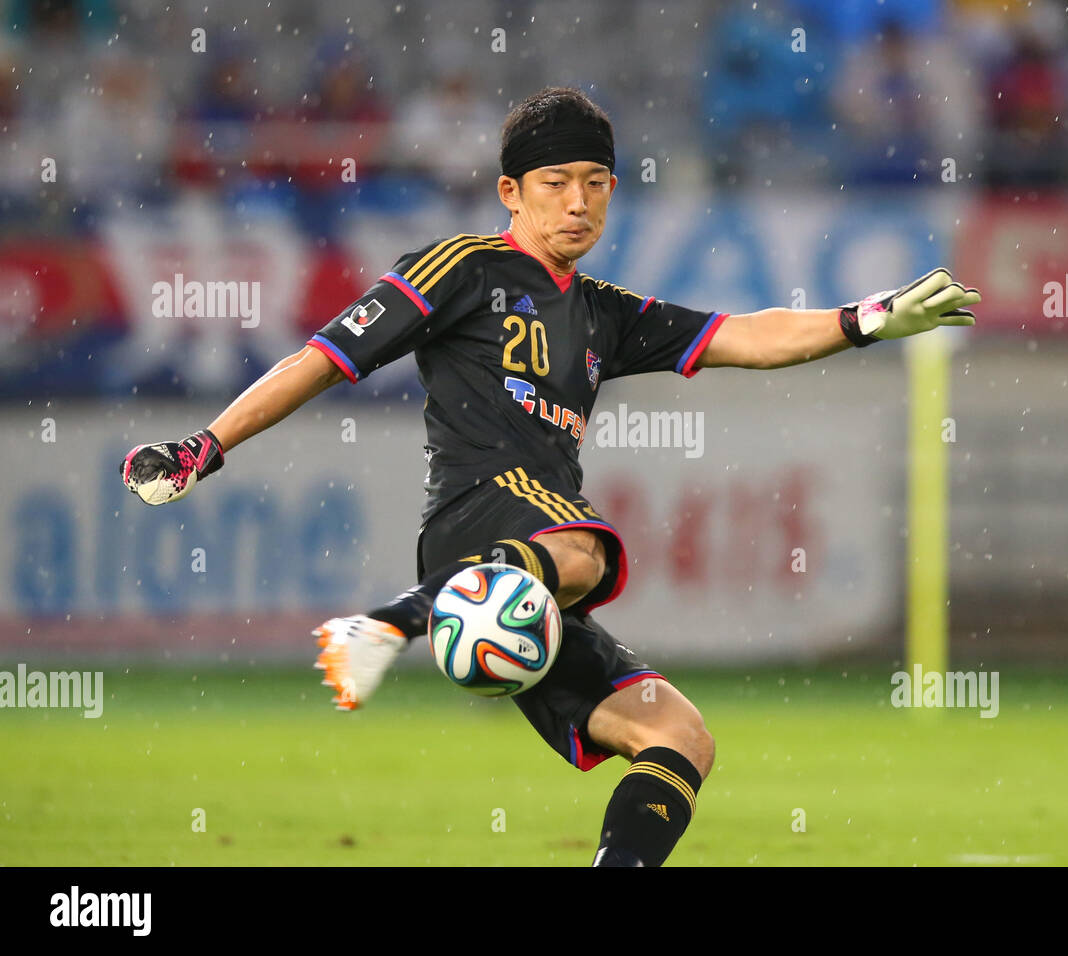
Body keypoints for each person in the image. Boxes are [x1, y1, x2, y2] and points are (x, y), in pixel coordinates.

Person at [118, 86, 980, 866]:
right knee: (588, 550)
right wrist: (206, 444)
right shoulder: (460, 267)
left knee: (680, 736)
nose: (578, 201)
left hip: (519, 576)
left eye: (596, 183)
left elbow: (747, 336)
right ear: (511, 193)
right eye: (556, 181)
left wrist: (865, 319)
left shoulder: (601, 311)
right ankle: (392, 622)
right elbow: (323, 358)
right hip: (477, 519)